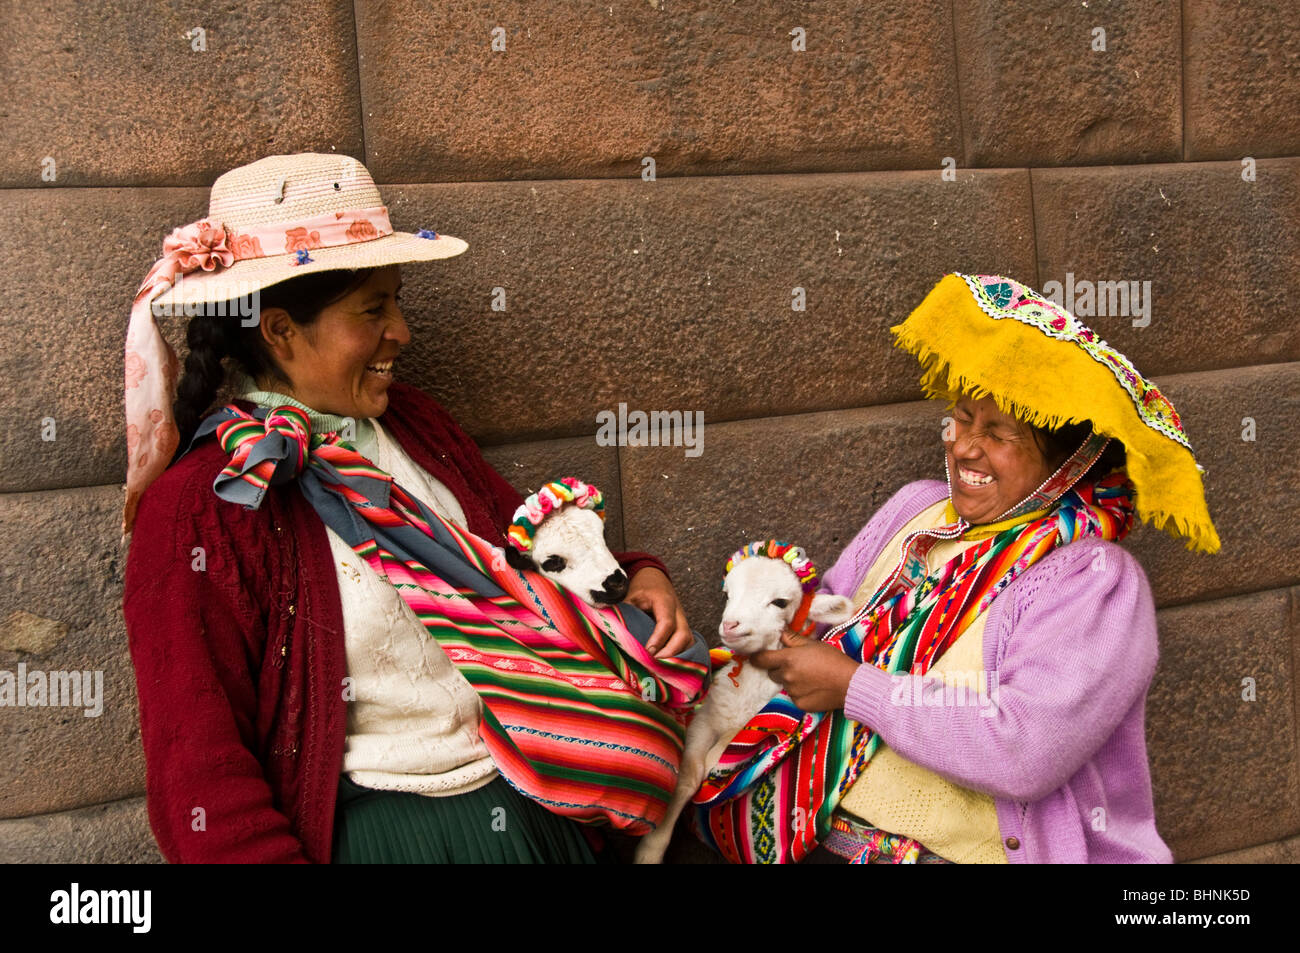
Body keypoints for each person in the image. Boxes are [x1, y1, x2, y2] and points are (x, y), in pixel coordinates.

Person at [121, 153, 705, 863]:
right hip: (393, 837)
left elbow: (523, 559)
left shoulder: (414, 429)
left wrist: (636, 579)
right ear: (278, 330)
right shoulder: (205, 506)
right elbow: (200, 772)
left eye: (397, 302)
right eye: (373, 310)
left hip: (537, 811)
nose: (402, 331)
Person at [692, 272, 1219, 864]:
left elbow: (1024, 752)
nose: (965, 446)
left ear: (1064, 467)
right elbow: (824, 618)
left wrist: (851, 686)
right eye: (963, 418)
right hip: (812, 833)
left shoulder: (1092, 580)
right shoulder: (917, 510)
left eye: (999, 434)